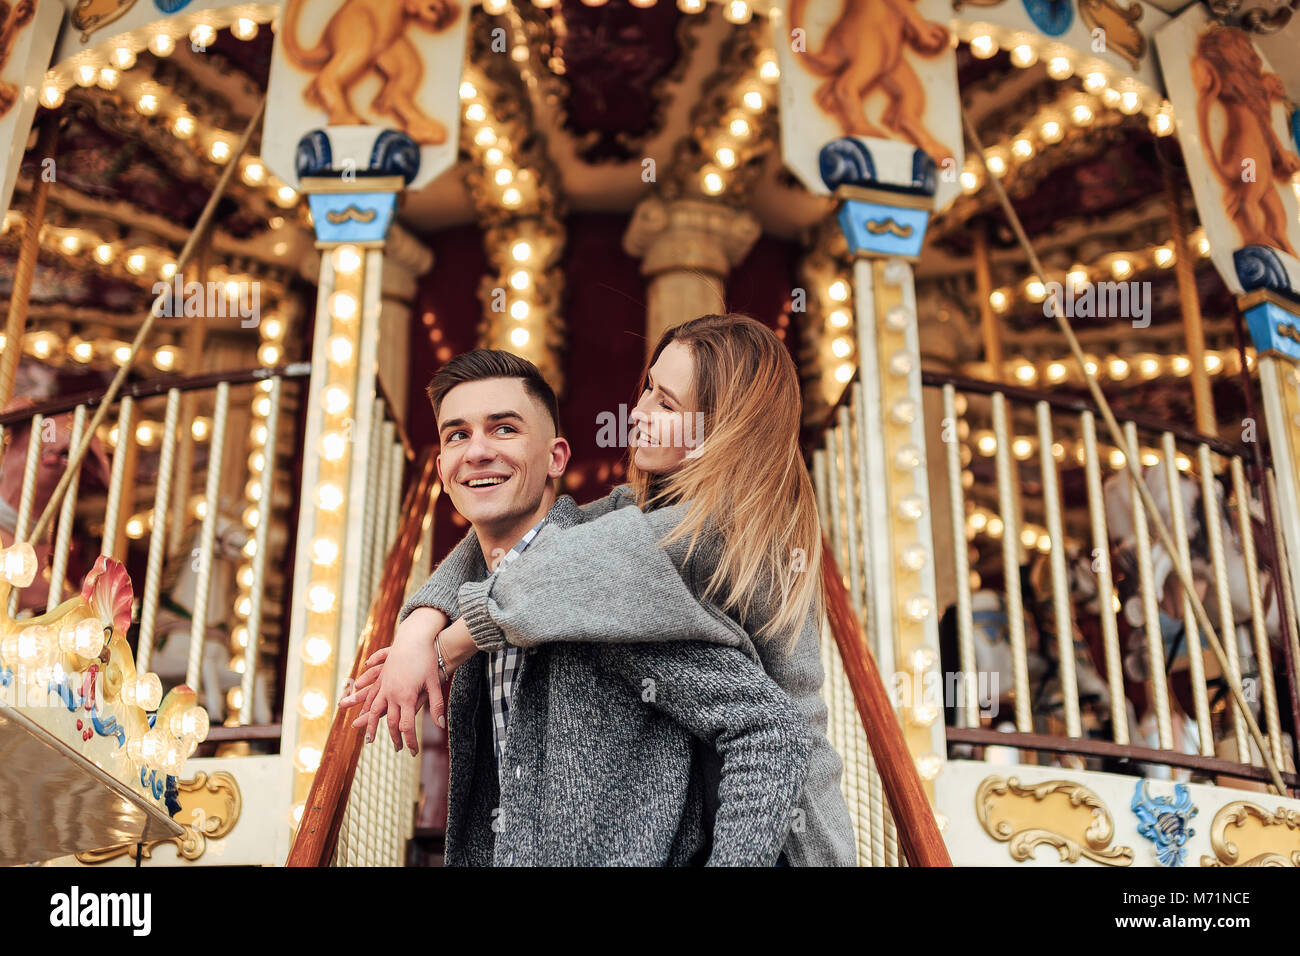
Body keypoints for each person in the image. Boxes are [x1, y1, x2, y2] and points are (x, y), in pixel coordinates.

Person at [346, 314, 858, 866]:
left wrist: (452, 641)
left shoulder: (710, 531)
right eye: (646, 391)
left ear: (724, 427)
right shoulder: (634, 527)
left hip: (795, 839)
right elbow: (523, 544)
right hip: (727, 800)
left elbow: (565, 560)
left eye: (667, 404)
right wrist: (418, 622)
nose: (636, 414)